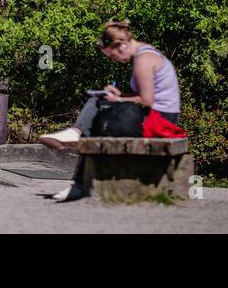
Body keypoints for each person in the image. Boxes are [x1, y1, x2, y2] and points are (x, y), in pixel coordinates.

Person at [38, 19, 182, 201]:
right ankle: (77, 160)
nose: (113, 60)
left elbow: (146, 100)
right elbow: (144, 97)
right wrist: (120, 94)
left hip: (159, 121)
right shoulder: (144, 54)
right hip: (153, 116)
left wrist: (118, 99)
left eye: (112, 56)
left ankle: (78, 177)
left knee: (98, 115)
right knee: (98, 103)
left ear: (121, 46)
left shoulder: (143, 59)